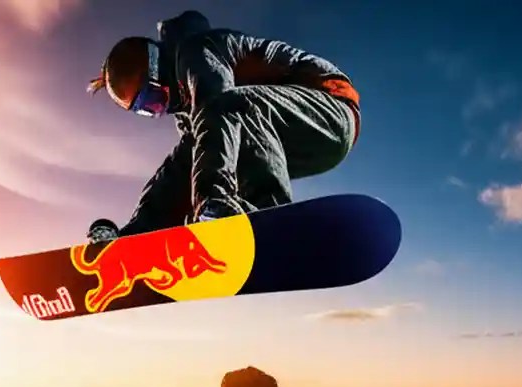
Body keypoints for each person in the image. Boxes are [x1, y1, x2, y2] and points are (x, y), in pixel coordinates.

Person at [85, 10, 360, 243]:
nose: (162, 108)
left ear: (160, 67)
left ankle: (261, 212)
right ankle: (137, 237)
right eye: (149, 111)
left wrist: (211, 203)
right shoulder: (188, 107)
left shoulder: (197, 52)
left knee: (225, 108)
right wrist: (138, 234)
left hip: (329, 110)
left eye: (154, 98)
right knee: (190, 152)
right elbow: (192, 163)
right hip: (284, 138)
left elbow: (220, 107)